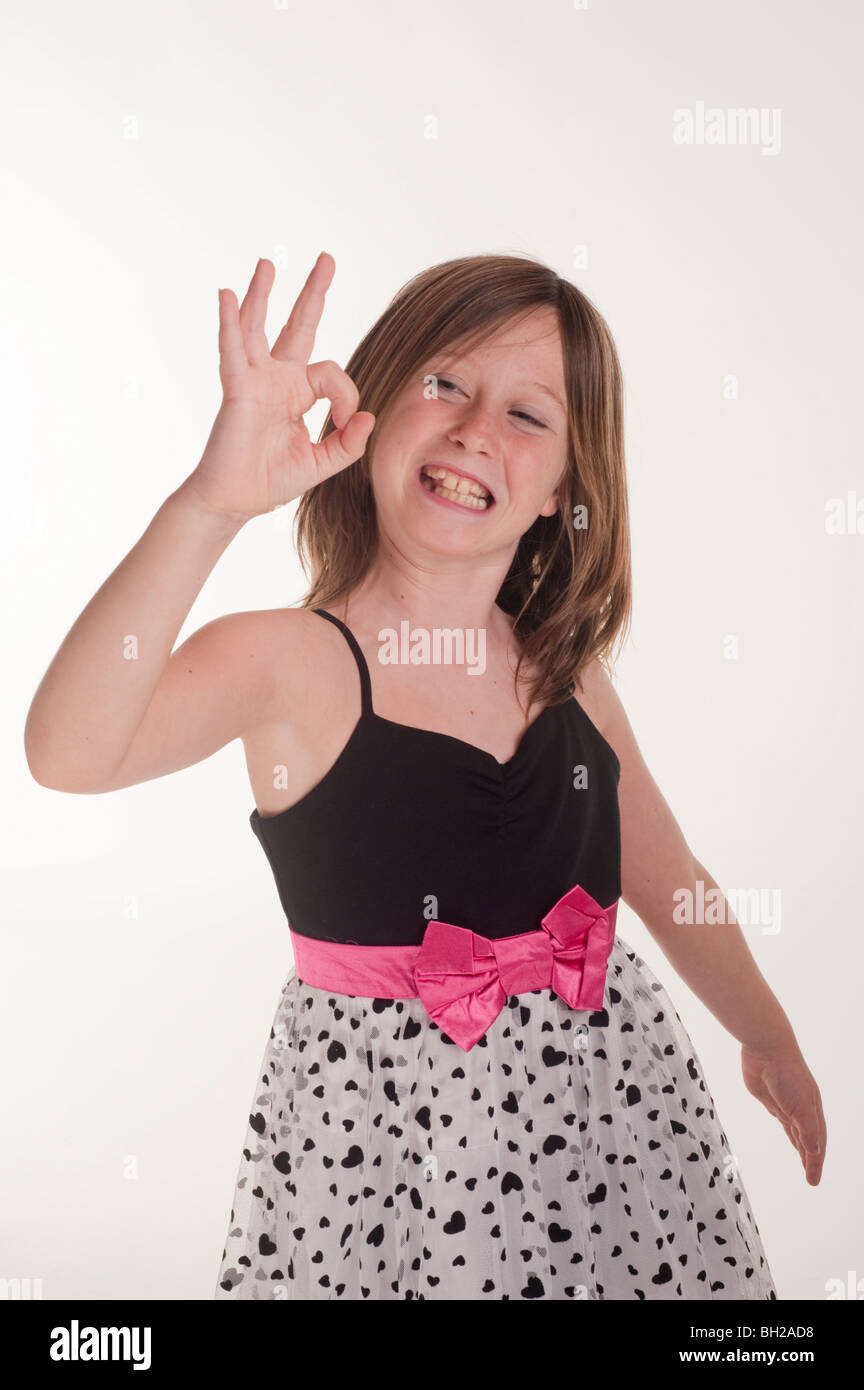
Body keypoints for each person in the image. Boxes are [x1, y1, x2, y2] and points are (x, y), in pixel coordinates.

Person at [24, 251, 825, 1302]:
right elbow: (68, 750)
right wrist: (211, 505)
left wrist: (768, 1033)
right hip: (390, 1158)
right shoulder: (290, 664)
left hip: (605, 1129)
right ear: (369, 412)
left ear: (559, 497)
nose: (475, 429)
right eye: (444, 383)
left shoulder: (567, 669)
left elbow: (667, 873)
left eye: (528, 415)